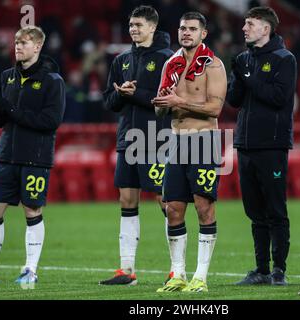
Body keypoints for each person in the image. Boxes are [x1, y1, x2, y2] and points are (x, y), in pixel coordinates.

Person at [0, 26, 66, 285]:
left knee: (32, 209)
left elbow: (50, 121)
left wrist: (11, 109)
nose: (18, 47)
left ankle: (30, 270)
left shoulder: (53, 81)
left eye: (25, 43)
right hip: (6, 155)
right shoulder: (6, 77)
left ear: (38, 46)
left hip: (36, 157)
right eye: (16, 42)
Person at [153, 11, 227, 293]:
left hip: (204, 139)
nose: (186, 33)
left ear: (203, 34)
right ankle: (178, 274)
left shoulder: (214, 65)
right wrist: (161, 102)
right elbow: (161, 109)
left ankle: (201, 276)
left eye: (192, 29)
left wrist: (179, 100)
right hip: (176, 139)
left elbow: (215, 109)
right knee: (172, 208)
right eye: (183, 28)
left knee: (203, 206)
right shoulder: (170, 64)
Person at [100, 5, 173, 285]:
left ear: (153, 27)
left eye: (138, 25)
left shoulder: (168, 59)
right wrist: (121, 95)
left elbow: (168, 98)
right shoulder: (121, 60)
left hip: (156, 138)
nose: (133, 29)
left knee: (165, 202)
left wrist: (136, 94)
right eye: (131, 25)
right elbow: (110, 101)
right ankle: (126, 270)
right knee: (127, 200)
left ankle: (176, 269)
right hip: (127, 138)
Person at [226, 6, 297, 286]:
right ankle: (261, 269)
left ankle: (279, 269)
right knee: (254, 211)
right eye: (245, 24)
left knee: (275, 209)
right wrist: (240, 78)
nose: (244, 28)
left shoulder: (284, 59)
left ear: (266, 28)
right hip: (245, 143)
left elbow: (278, 97)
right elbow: (234, 100)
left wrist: (246, 77)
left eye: (250, 24)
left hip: (272, 144)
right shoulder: (244, 58)